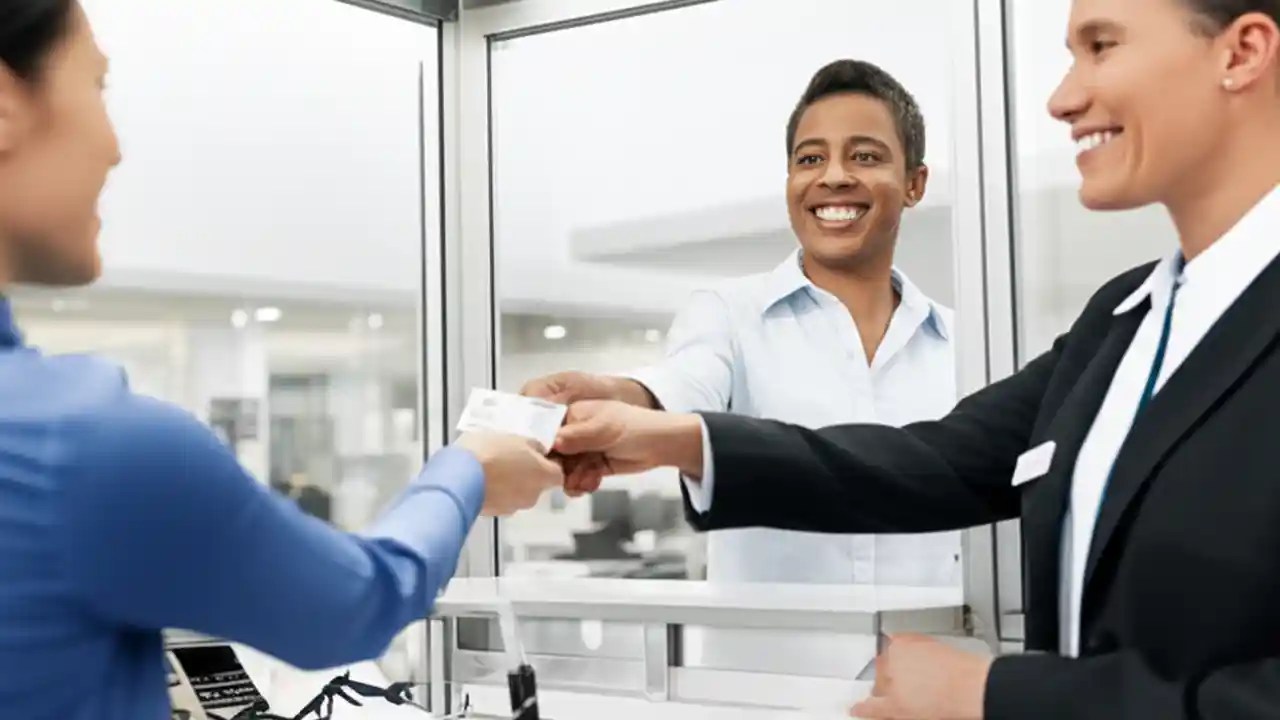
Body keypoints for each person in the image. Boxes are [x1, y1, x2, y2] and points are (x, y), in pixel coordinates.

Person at [553, 0, 1280, 717]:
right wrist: (662, 431)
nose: (1062, 99)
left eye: (1102, 46)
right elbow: (928, 462)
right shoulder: (1121, 323)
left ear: (1242, 52)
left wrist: (993, 695)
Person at [0, 3, 562, 718]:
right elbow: (356, 604)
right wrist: (469, 472)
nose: (113, 149)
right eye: (97, 87)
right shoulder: (88, 448)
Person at [524, 59, 961, 591]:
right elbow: (686, 383)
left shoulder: (964, 344)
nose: (833, 176)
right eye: (810, 158)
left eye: (864, 156)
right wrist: (618, 397)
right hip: (770, 649)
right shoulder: (727, 314)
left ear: (914, 183)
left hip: (935, 644)